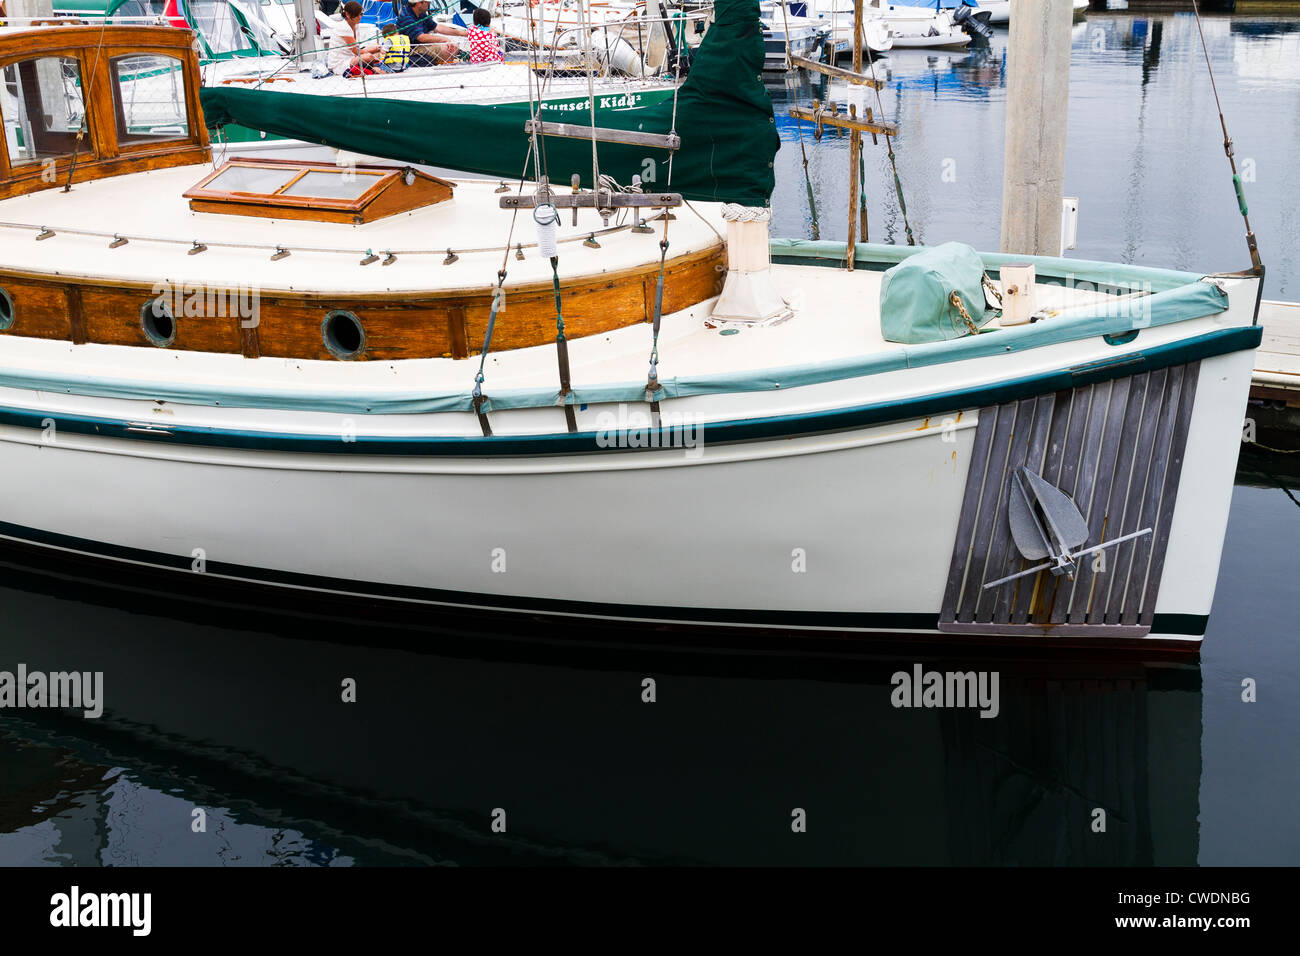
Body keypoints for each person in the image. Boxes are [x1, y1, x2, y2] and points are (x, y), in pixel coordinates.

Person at [396, 0, 468, 66]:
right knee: (447, 49)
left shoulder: (421, 14)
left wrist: (462, 33)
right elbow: (421, 37)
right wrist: (444, 39)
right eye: (427, 2)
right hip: (412, 51)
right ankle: (445, 69)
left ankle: (446, 65)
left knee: (454, 45)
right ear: (418, 4)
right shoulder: (406, 17)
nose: (429, 3)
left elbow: (437, 27)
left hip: (421, 46)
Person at [327, 1, 388, 77]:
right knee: (369, 56)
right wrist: (375, 49)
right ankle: (371, 69)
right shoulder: (343, 28)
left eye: (361, 14)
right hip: (340, 63)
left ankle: (369, 69)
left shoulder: (356, 25)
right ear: (347, 15)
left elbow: (358, 50)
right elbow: (356, 52)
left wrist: (376, 48)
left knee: (375, 48)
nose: (360, 17)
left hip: (351, 57)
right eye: (357, 15)